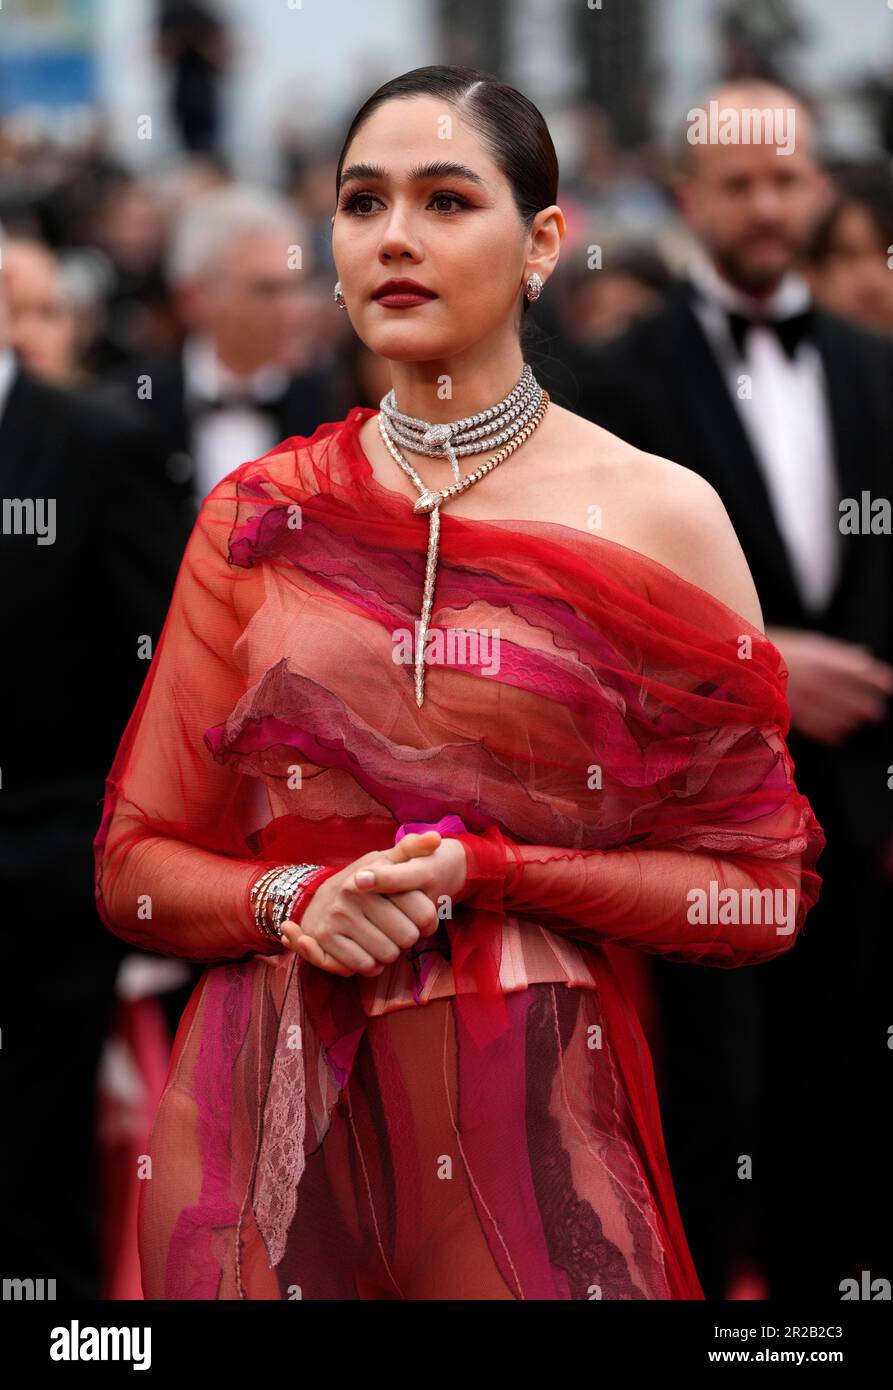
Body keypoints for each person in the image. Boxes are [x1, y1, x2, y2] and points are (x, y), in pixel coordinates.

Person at [93, 66, 824, 1302]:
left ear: (542, 241)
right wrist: (290, 898)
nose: (393, 239)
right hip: (263, 1113)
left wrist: (499, 873)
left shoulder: (658, 515)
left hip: (526, 1123)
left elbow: (756, 897)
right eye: (362, 202)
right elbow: (133, 865)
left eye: (444, 201)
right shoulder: (257, 517)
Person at [576, 80, 893, 1298]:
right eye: (738, 184)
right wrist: (764, 671)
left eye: (785, 180)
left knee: (845, 1126)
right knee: (704, 1127)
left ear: (814, 185)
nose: (766, 207)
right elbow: (597, 608)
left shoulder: (877, 368)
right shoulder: (613, 381)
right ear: (685, 197)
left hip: (860, 815)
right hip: (696, 823)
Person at [0, 226, 187, 1298]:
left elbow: (155, 675)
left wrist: (103, 861)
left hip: (41, 898)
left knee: (38, 1191)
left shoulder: (96, 447)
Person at [109, 184, 333, 533]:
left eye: (298, 286)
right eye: (267, 290)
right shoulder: (129, 407)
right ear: (193, 298)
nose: (295, 311)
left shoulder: (334, 405)